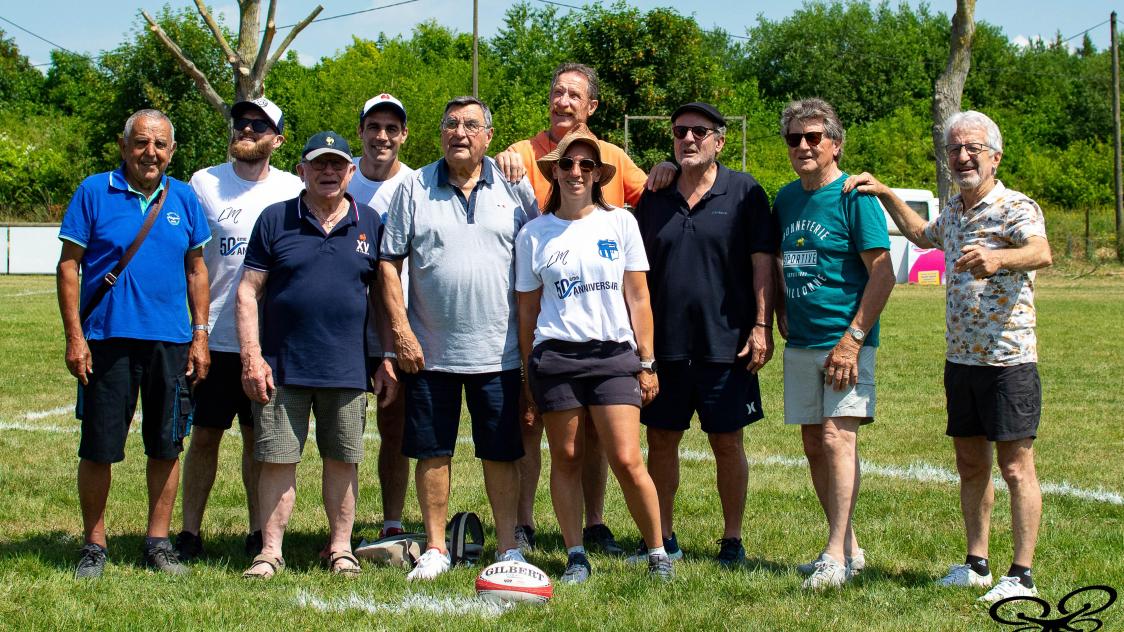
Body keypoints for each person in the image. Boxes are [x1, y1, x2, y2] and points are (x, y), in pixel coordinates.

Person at [843, 110, 1052, 603]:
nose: (962, 157)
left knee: (1017, 467)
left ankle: (1021, 576)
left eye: (973, 148)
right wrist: (887, 193)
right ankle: (977, 564)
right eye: (955, 149)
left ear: (995, 157)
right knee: (970, 463)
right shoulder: (955, 212)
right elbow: (921, 235)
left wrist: (999, 257)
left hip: (1009, 361)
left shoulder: (1016, 207)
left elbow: (1042, 252)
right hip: (961, 362)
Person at [494, 62, 675, 556]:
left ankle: (599, 524)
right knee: (541, 433)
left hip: (608, 335)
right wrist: (503, 157)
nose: (564, 101)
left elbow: (656, 195)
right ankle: (527, 523)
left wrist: (669, 168)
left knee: (607, 442)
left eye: (575, 95)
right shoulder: (521, 153)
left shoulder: (614, 158)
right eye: (557, 92)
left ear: (591, 106)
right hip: (549, 328)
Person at [380, 96, 537, 581]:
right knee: (432, 451)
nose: (460, 133)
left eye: (471, 125)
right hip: (430, 352)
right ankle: (434, 548)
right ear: (439, 134)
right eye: (450, 124)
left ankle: (509, 546)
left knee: (502, 452)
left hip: (500, 351)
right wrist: (402, 332)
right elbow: (389, 261)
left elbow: (536, 258)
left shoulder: (515, 187)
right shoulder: (412, 187)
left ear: (489, 136)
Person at [58, 109, 211, 578]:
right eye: (141, 143)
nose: (151, 152)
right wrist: (75, 337)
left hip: (171, 342)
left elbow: (196, 269)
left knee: (167, 446)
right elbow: (69, 266)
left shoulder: (183, 197)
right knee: (99, 446)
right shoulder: (93, 191)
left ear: (172, 151)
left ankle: (158, 542)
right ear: (124, 147)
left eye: (160, 144)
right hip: (106, 340)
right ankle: (94, 544)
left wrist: (200, 334)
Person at [236, 131, 395, 579]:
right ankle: (270, 552)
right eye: (318, 165)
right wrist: (252, 355)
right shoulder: (274, 219)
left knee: (343, 459)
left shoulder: (371, 222)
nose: (328, 172)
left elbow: (383, 298)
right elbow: (248, 291)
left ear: (349, 172)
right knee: (277, 459)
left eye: (337, 165)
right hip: (282, 366)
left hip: (346, 369)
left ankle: (341, 548)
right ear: (301, 172)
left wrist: (384, 356)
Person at [634, 102, 777, 568]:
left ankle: (732, 539)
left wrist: (761, 325)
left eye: (699, 132)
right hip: (665, 347)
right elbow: (635, 275)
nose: (688, 139)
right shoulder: (654, 195)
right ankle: (663, 537)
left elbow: (761, 264)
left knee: (728, 442)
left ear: (719, 140)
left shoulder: (746, 192)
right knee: (661, 440)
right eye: (680, 132)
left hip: (727, 344)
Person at [773, 98, 895, 590]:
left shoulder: (854, 196)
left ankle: (833, 554)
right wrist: (780, 308)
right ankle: (849, 547)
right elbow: (783, 261)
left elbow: (883, 273)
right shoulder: (785, 199)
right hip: (801, 341)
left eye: (814, 138)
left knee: (835, 438)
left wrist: (854, 339)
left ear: (835, 145)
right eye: (794, 139)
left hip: (846, 340)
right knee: (811, 444)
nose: (803, 146)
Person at [177, 97, 302, 562]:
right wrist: (197, 331)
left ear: (278, 140)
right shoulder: (203, 182)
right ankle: (189, 532)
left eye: (258, 125)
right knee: (204, 435)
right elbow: (190, 261)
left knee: (258, 442)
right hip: (213, 337)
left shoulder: (292, 188)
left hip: (266, 342)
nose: (246, 130)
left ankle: (257, 532)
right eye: (241, 123)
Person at [348, 93, 416, 539]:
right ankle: (343, 527)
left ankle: (392, 522)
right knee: (344, 430)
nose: (382, 136)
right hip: (348, 326)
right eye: (374, 126)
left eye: (392, 128)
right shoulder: (338, 174)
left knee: (394, 425)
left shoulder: (418, 184)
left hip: (400, 324)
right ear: (361, 132)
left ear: (404, 135)